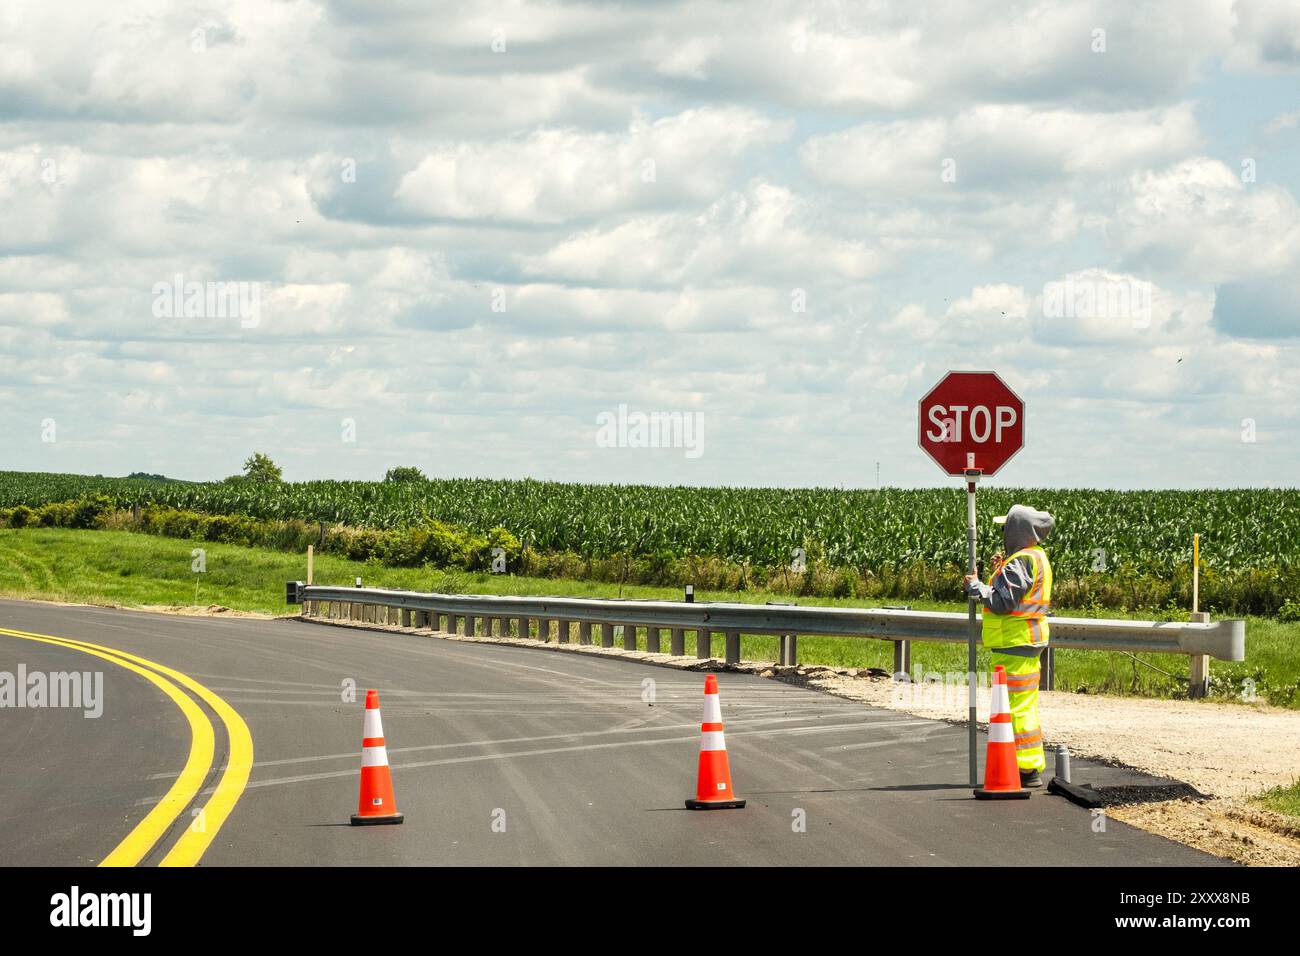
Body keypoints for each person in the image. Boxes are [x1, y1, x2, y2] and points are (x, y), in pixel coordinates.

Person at [964, 505, 1054, 788]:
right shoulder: (1035, 557)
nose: (1003, 533)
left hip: (1015, 642)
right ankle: (1027, 765)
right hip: (1026, 641)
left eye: (1006, 528)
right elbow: (1013, 590)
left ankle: (1026, 769)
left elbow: (1003, 602)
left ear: (1016, 531)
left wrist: (977, 587)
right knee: (1024, 704)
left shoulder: (1022, 561)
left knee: (1015, 707)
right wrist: (1001, 570)